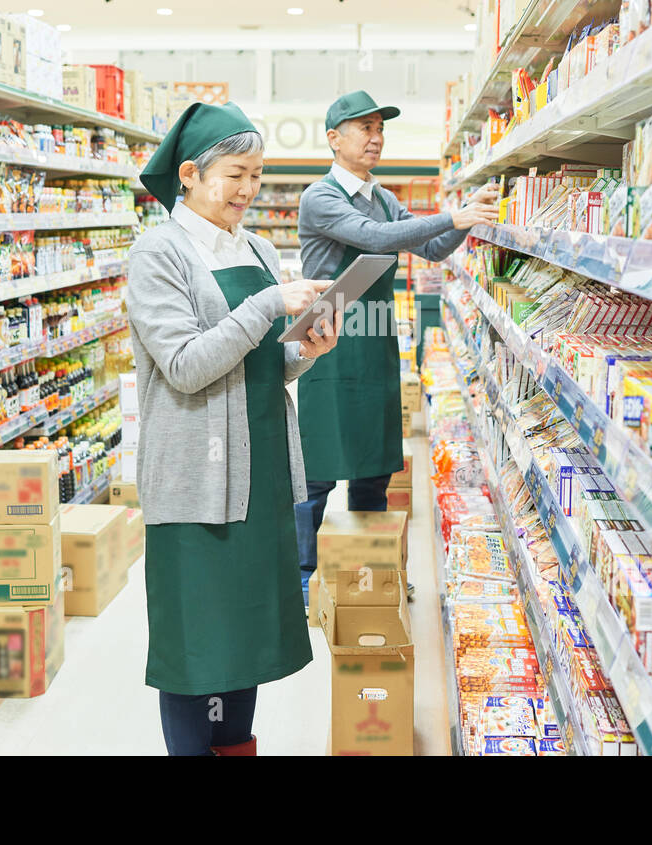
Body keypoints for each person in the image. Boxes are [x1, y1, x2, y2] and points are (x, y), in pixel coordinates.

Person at [129, 101, 341, 756]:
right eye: (236, 175)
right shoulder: (157, 252)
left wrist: (307, 349)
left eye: (256, 174)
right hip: (195, 484)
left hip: (259, 476)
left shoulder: (256, 245)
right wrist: (268, 302)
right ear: (190, 174)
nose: (248, 190)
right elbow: (189, 366)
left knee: (244, 644)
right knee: (197, 651)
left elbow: (259, 362)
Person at [294, 90, 499, 600]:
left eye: (379, 128)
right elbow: (378, 238)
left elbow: (428, 247)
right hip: (327, 337)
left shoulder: (383, 197)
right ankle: (298, 578)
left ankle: (374, 574)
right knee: (317, 471)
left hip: (376, 340)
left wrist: (471, 218)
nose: (376, 136)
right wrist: (453, 216)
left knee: (374, 468)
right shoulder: (321, 197)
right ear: (333, 139)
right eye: (364, 128)